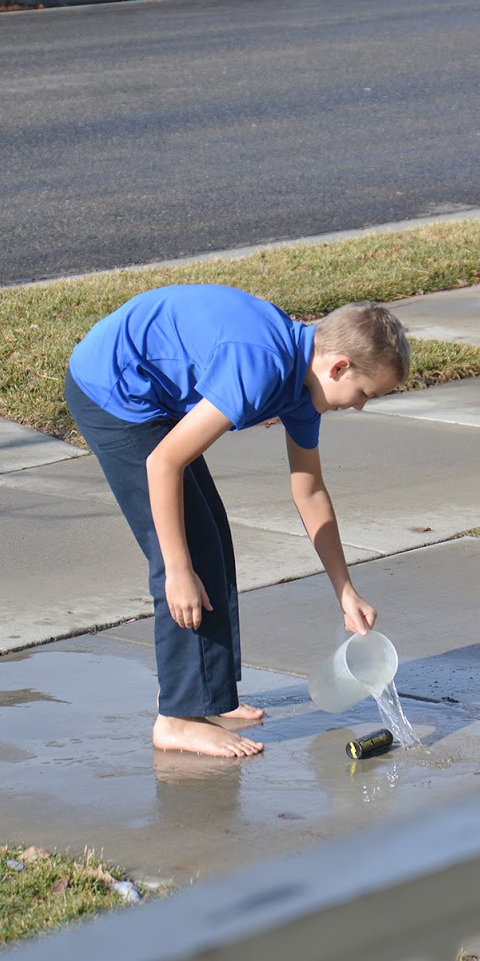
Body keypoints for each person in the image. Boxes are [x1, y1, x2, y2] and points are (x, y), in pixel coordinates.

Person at [63, 285, 410, 758]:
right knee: (186, 557)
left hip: (156, 389)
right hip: (113, 389)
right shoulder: (260, 367)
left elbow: (308, 488)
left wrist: (344, 589)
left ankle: (210, 698)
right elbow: (162, 464)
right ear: (339, 367)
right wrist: (178, 571)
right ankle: (178, 720)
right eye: (364, 393)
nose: (361, 405)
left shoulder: (303, 386)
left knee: (212, 540)